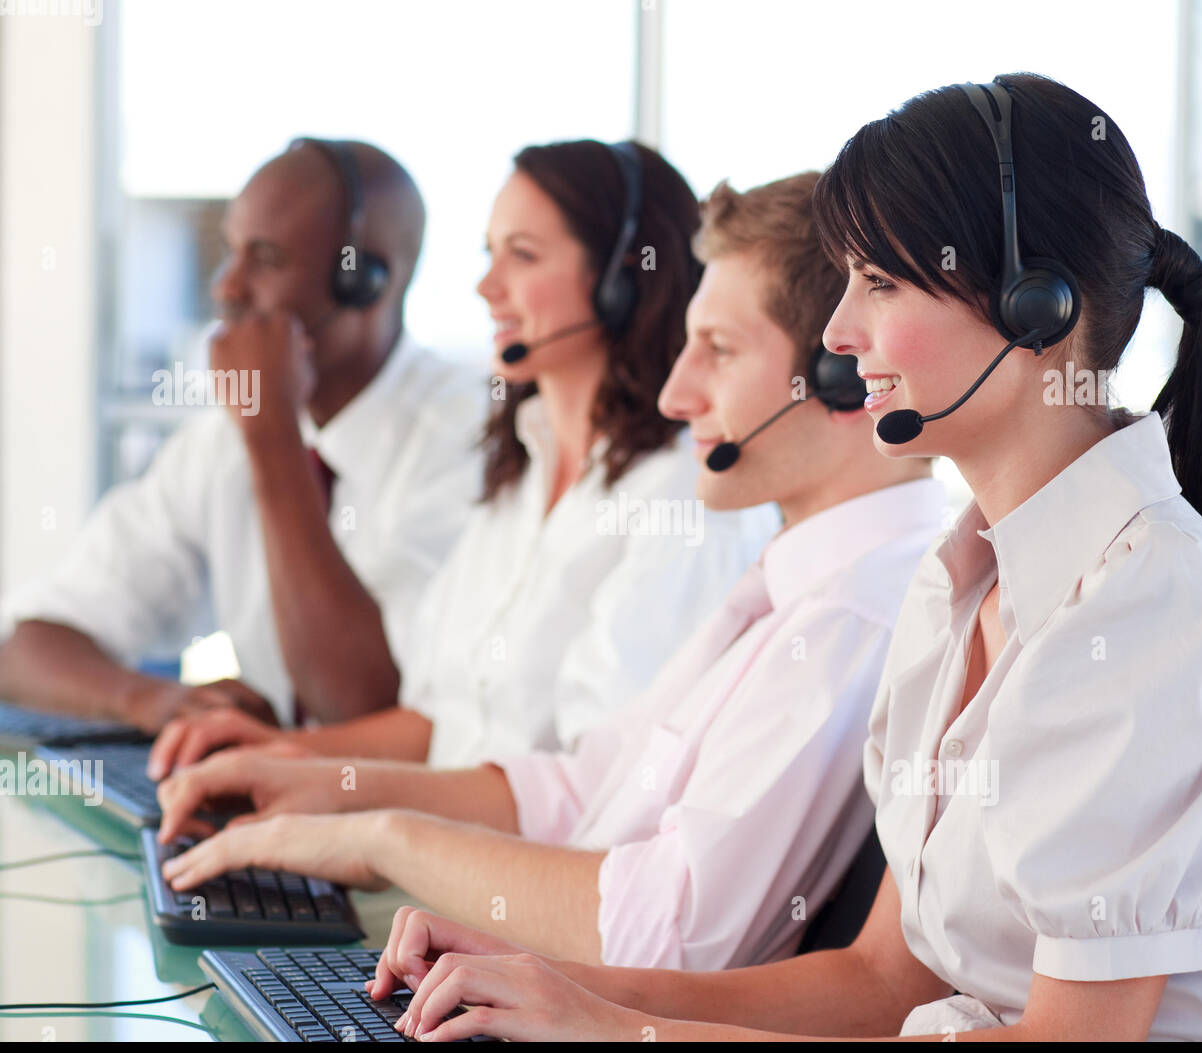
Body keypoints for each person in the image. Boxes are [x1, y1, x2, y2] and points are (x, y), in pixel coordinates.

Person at [359, 74, 1202, 1043]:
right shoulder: (957, 581)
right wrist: (547, 984)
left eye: (879, 284)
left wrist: (617, 1035)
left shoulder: (1148, 603)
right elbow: (880, 979)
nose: (839, 337)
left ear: (1035, 307)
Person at [155, 172, 947, 971]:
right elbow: (581, 787)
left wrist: (381, 837)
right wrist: (332, 790)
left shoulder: (851, 615)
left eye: (718, 350)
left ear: (846, 373)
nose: (680, 395)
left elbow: (666, 936)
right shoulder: (789, 586)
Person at [145, 139, 778, 779]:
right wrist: (269, 757)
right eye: (488, 253)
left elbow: (598, 795)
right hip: (440, 852)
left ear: (622, 280)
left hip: (505, 869)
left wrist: (361, 828)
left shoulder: (680, 502)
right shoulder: (518, 474)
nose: (486, 286)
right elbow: (436, 727)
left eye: (523, 256)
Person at [0, 138, 486, 730]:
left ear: (365, 279)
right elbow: (26, 647)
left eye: (267, 259)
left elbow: (361, 703)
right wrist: (157, 701)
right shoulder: (217, 443)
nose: (227, 288)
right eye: (231, 252)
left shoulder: (469, 441)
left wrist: (272, 434)